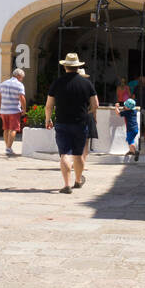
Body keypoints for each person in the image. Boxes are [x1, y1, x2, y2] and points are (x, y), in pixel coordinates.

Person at [45, 53, 98, 193]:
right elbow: (95, 104)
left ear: (65, 67)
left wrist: (48, 119)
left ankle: (66, 185)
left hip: (62, 122)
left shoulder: (57, 82)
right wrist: (89, 113)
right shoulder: (86, 83)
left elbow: (49, 105)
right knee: (78, 154)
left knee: (65, 154)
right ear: (78, 66)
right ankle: (78, 181)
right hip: (80, 123)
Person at [0, 68, 27, 157]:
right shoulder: (19, 85)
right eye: (22, 77)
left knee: (6, 129)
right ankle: (8, 148)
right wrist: (24, 109)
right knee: (13, 129)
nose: (22, 79)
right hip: (14, 110)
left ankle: (8, 147)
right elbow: (22, 98)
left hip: (4, 110)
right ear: (19, 76)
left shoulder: (3, 84)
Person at [78, 67, 97, 160]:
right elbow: (95, 105)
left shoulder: (73, 87)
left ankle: (77, 161)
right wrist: (93, 115)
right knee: (86, 141)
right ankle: (83, 161)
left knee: (77, 140)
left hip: (77, 115)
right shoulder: (89, 86)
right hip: (87, 115)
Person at [116, 97, 141, 161]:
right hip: (135, 129)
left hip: (130, 129)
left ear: (128, 107)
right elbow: (127, 109)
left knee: (130, 142)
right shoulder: (134, 111)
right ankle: (131, 151)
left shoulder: (127, 112)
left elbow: (118, 113)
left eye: (125, 105)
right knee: (130, 140)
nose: (124, 106)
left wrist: (116, 107)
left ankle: (135, 152)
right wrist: (126, 108)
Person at [135, 74, 145, 142]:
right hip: (138, 107)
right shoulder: (137, 88)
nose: (144, 80)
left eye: (144, 79)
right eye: (143, 79)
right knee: (139, 123)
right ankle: (139, 136)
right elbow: (133, 96)